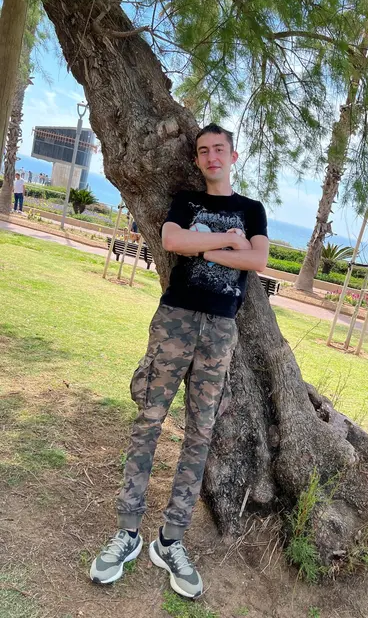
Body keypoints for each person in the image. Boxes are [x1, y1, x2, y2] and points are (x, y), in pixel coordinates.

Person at [90, 124, 269, 597]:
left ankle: (170, 541)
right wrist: (228, 242)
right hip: (175, 321)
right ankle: (127, 532)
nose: (212, 157)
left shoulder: (251, 210)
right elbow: (171, 241)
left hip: (220, 330)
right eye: (203, 151)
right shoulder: (186, 203)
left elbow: (258, 261)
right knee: (148, 421)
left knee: (200, 433)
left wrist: (208, 246)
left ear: (233, 156)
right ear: (196, 159)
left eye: (219, 149)